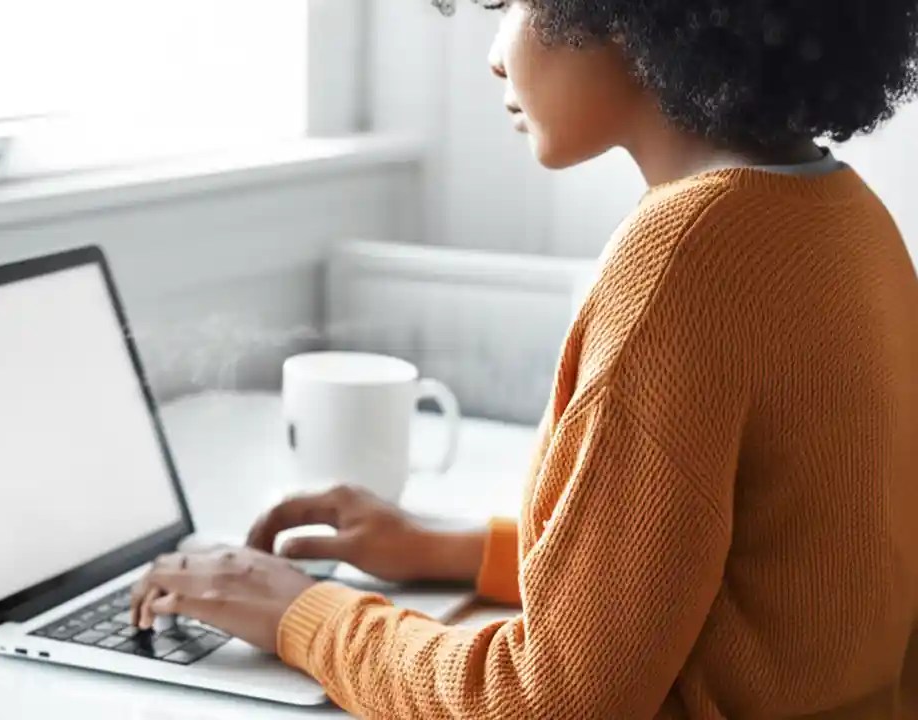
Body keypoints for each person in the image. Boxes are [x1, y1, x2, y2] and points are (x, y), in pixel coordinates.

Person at [133, 0, 918, 716]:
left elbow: (547, 702)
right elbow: (735, 579)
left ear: (625, 17)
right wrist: (447, 546)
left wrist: (302, 615)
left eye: (507, 4)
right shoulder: (848, 219)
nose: (495, 55)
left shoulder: (685, 257)